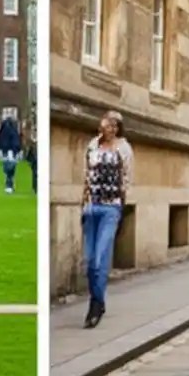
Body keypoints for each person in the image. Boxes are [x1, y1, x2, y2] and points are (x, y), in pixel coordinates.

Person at [80, 111, 133, 329]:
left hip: (111, 208)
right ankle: (98, 299)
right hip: (91, 207)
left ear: (118, 128)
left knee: (101, 258)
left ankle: (96, 303)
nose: (110, 127)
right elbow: (86, 175)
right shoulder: (92, 145)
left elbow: (128, 178)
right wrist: (83, 203)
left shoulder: (124, 148)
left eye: (114, 124)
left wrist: (121, 204)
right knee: (90, 261)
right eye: (107, 122)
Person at [0, 114, 21, 194]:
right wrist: (17, 150)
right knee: (10, 169)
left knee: (7, 168)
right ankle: (9, 186)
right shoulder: (13, 130)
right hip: (10, 150)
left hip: (5, 150)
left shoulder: (3, 130)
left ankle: (9, 185)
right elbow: (15, 140)